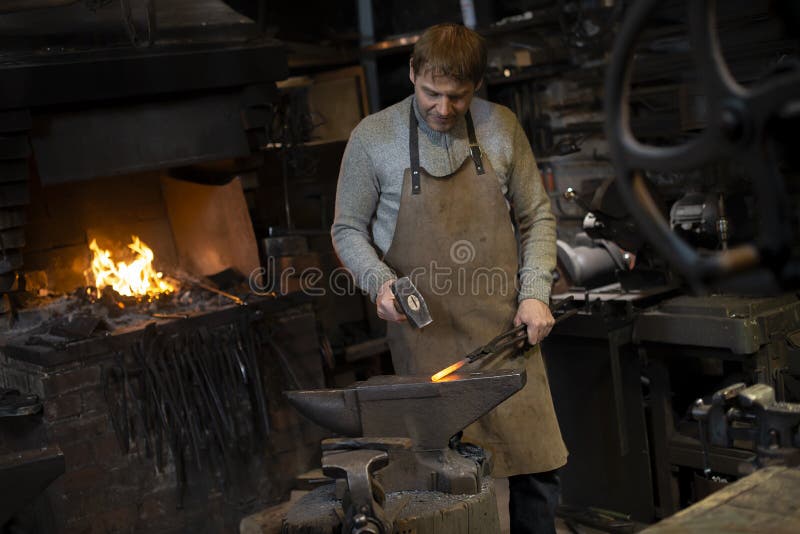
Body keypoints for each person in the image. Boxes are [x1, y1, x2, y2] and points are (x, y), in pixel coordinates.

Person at [331, 22, 567, 533]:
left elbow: (537, 217)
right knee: (435, 489)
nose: (442, 108)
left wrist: (534, 294)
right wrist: (379, 283)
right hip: (426, 343)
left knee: (536, 472)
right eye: (430, 93)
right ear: (412, 73)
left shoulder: (501, 127)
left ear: (476, 85)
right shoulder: (373, 137)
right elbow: (347, 228)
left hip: (505, 337)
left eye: (457, 97)